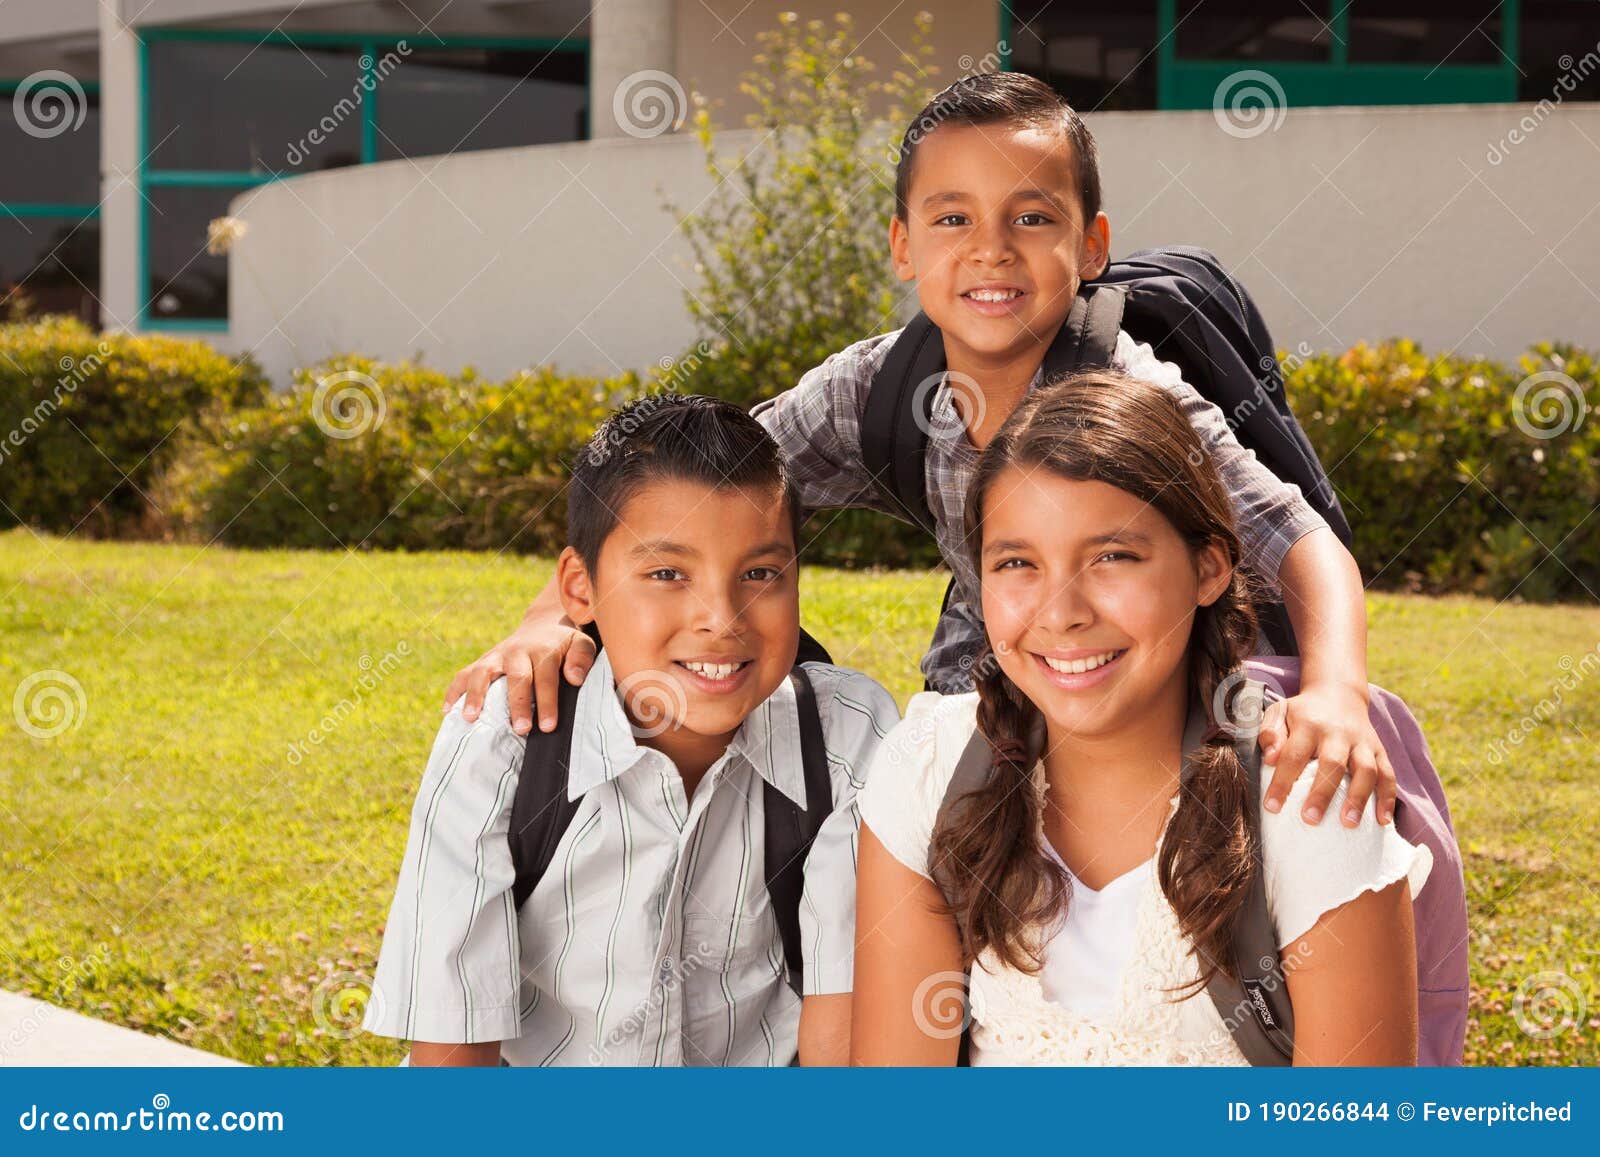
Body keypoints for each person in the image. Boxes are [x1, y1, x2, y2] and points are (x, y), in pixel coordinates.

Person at [851, 371, 1431, 1066]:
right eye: (1017, 562)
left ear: (1209, 566)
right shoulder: (928, 764)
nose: (1062, 611)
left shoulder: (1303, 799)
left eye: (1112, 556)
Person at [364, 395, 899, 1065]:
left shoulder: (847, 737)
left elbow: (842, 1049)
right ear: (579, 591)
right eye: (667, 573)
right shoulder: (504, 741)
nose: (720, 618)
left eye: (761, 573)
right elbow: (453, 1061)